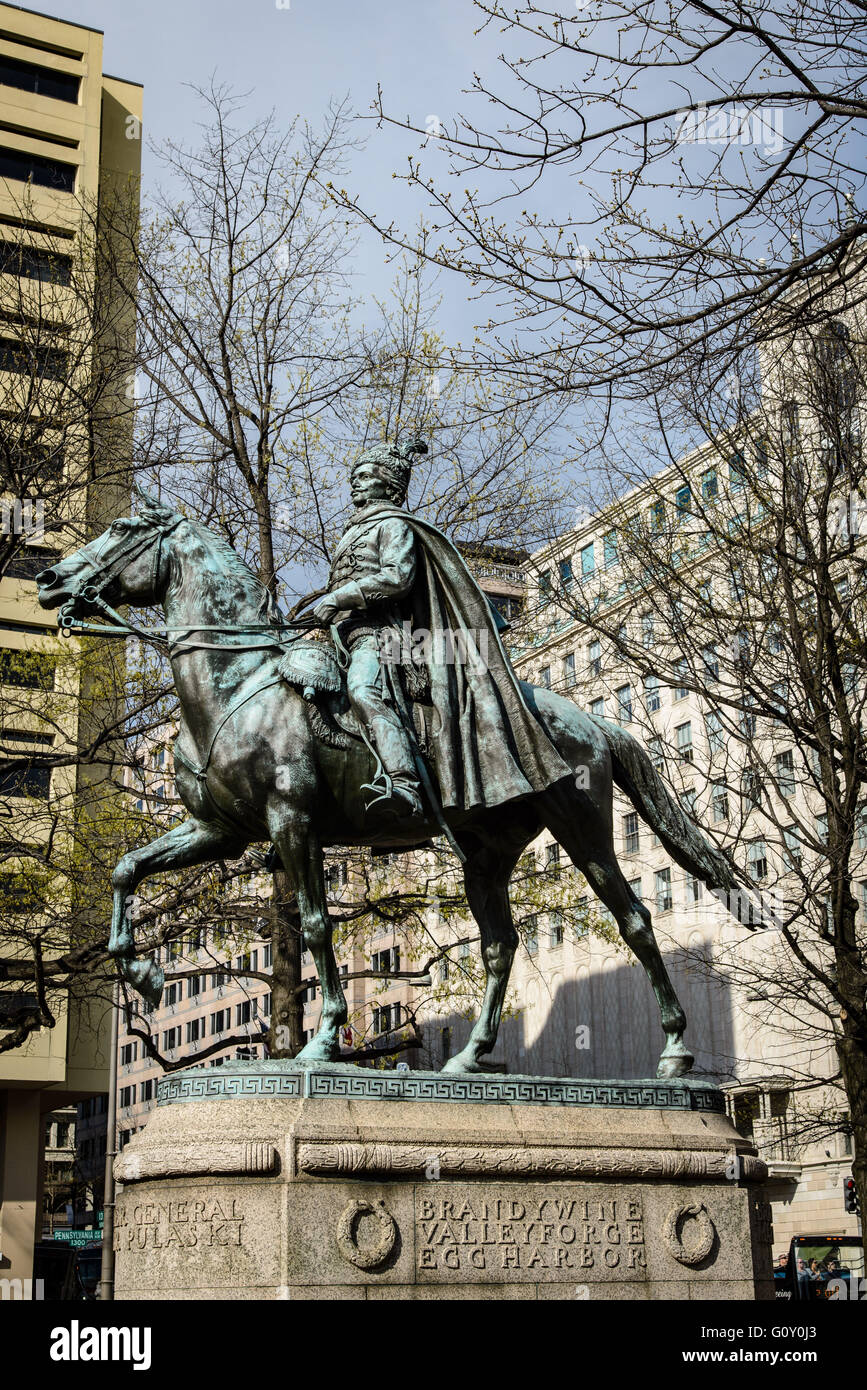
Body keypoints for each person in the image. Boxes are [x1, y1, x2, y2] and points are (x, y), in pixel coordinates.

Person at [312, 437, 571, 819]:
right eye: (355, 476)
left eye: (366, 476)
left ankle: (403, 783)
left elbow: (397, 578)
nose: (357, 482)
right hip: (340, 637)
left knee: (363, 690)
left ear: (390, 485)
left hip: (384, 637)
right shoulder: (354, 530)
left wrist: (341, 597)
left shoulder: (394, 526)